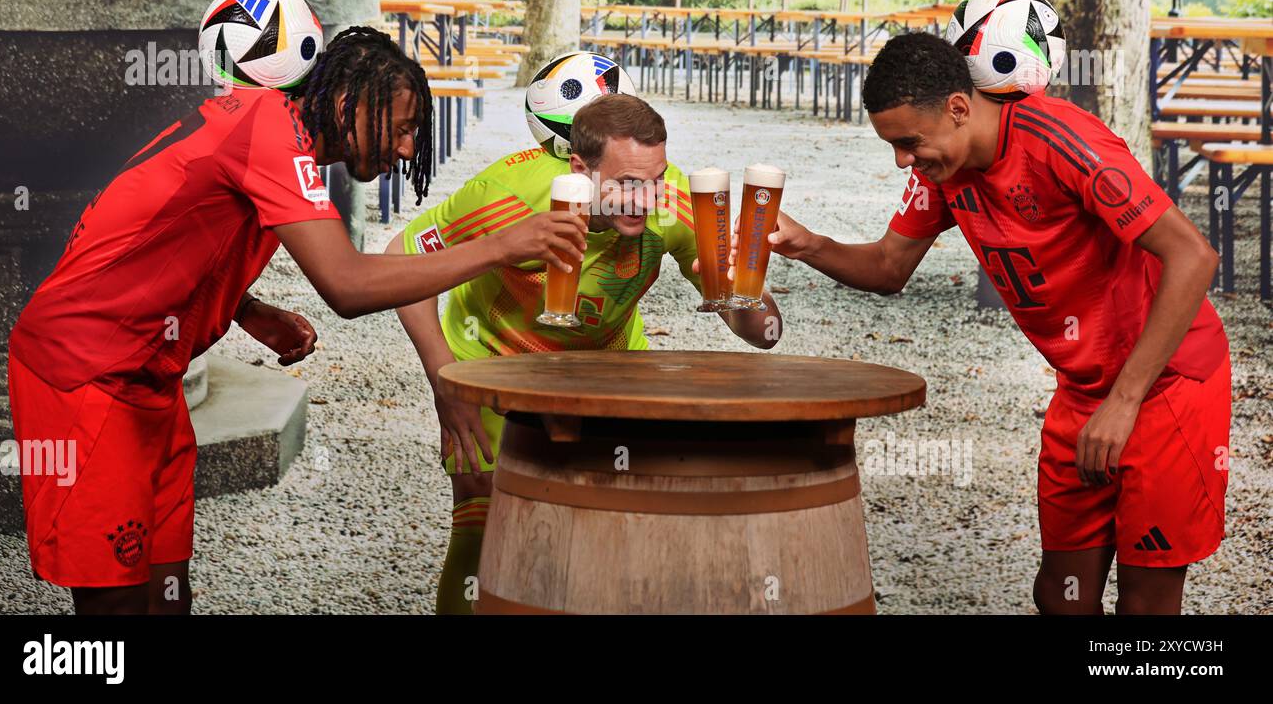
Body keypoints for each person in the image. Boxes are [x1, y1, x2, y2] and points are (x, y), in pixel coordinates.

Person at [7, 26, 587, 614]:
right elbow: (348, 285)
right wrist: (499, 247)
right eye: (404, 127)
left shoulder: (274, 126)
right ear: (346, 105)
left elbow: (164, 224)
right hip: (85, 372)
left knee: (167, 587)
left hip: (150, 380)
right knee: (116, 606)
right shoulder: (270, 129)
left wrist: (247, 309)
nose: (409, 149)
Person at [749, 32, 1230, 615]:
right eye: (893, 146)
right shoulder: (943, 172)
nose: (903, 161)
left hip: (1166, 383)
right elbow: (887, 267)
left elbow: (1193, 256)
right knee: (1060, 594)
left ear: (957, 107)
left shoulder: (1063, 139)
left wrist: (1125, 400)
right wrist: (810, 245)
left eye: (908, 143)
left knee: (1145, 602)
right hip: (1084, 389)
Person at [388, 91, 783, 614]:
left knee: (621, 515)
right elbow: (402, 257)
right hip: (493, 362)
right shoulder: (505, 193)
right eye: (626, 184)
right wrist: (446, 383)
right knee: (483, 515)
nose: (645, 200)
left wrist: (740, 288)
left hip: (611, 366)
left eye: (656, 179)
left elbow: (764, 334)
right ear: (580, 168)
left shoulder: (679, 203)